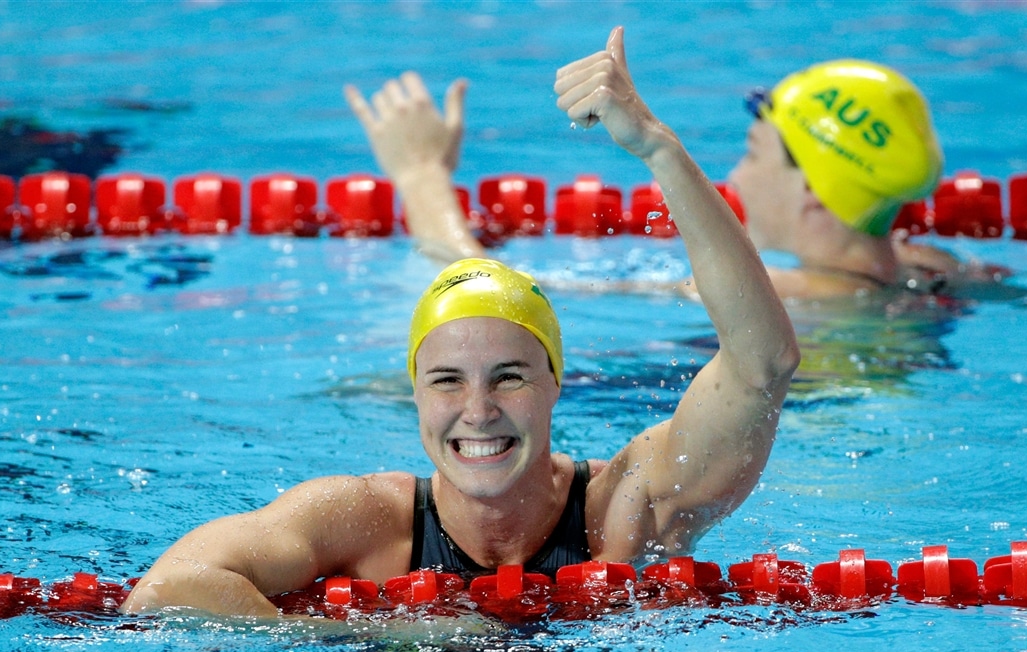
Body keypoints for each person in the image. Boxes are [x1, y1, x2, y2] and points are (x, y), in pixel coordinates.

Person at [121, 27, 800, 617]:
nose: (477, 411)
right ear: (414, 389)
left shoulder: (623, 507)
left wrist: (658, 149)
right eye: (448, 380)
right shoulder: (361, 520)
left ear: (555, 381)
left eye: (508, 377)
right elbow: (168, 588)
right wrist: (373, 642)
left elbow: (761, 363)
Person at [342, 49, 1002, 299]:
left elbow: (507, 292)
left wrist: (419, 173)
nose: (735, 176)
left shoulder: (778, 290)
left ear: (812, 191)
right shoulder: (932, 267)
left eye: (753, 149)